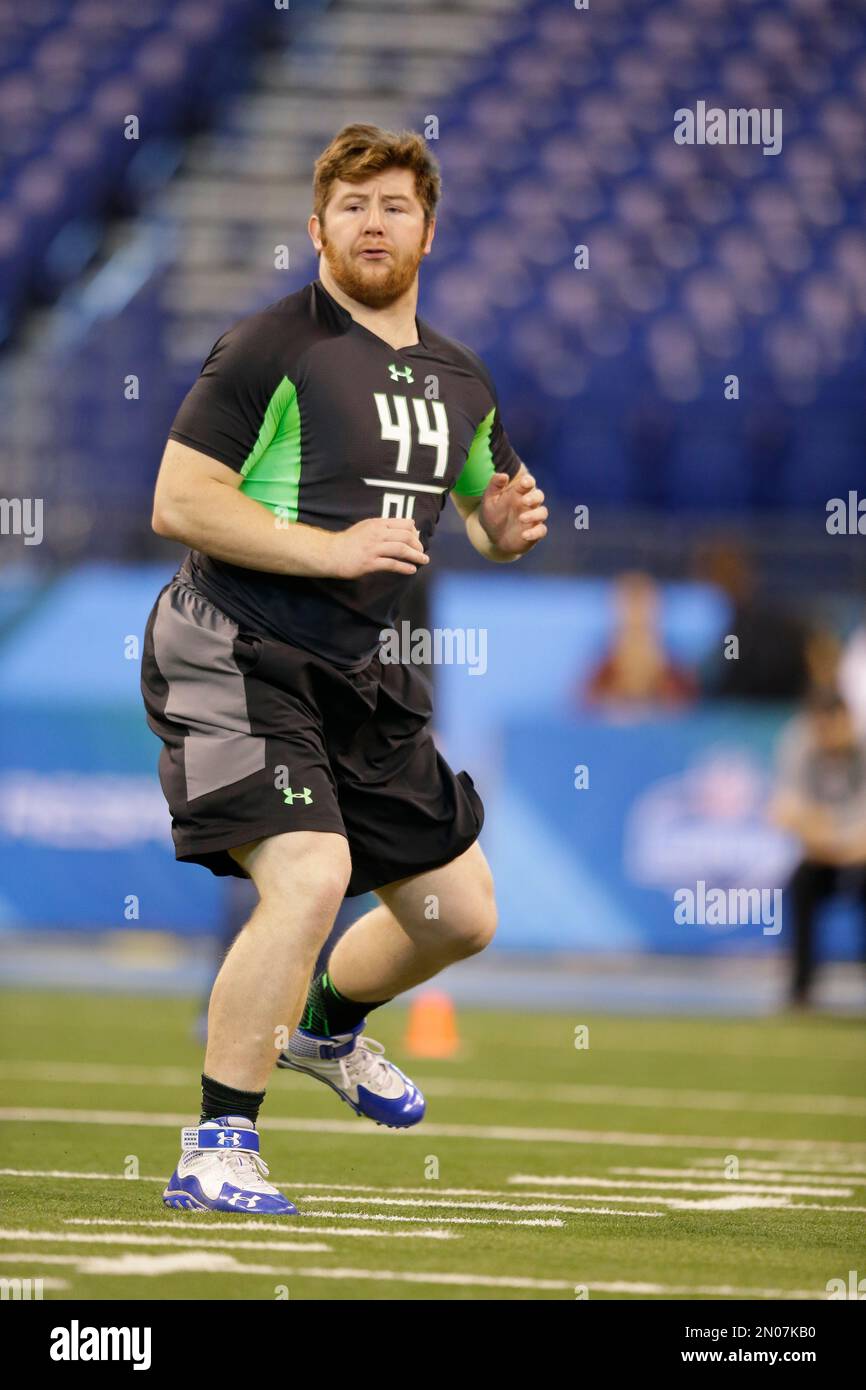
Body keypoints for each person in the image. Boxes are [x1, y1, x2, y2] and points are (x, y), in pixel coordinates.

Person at [141, 123, 547, 1214]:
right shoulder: (270, 344)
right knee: (313, 874)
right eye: (354, 204)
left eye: (396, 205)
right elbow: (179, 501)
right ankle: (217, 1145)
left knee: (456, 914)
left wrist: (504, 525)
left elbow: (483, 511)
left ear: (429, 228)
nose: (375, 221)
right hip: (234, 644)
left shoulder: (459, 377)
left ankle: (322, 1028)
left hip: (361, 672)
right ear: (315, 227)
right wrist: (326, 549)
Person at [769, 691, 866, 1008]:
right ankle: (801, 989)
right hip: (821, 854)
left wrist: (823, 832)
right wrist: (824, 836)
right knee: (801, 883)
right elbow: (783, 812)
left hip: (855, 855)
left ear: (847, 722)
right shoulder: (799, 743)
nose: (825, 738)